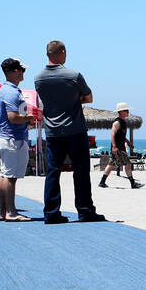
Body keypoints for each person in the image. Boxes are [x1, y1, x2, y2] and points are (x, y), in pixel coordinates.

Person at [34, 40, 105, 224]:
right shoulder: (73, 75)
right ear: (62, 52)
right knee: (81, 171)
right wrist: (75, 100)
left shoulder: (38, 78)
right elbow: (88, 97)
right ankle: (85, 210)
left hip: (53, 132)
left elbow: (47, 100)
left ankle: (51, 212)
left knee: (53, 172)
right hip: (75, 129)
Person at [0, 58, 34, 222]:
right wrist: (28, 118)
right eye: (22, 70)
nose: (24, 73)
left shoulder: (4, 90)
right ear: (16, 71)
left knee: (4, 175)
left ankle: (3, 212)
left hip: (5, 137)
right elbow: (13, 117)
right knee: (10, 177)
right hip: (13, 138)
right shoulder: (11, 92)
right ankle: (11, 212)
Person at [99, 102, 143, 189]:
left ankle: (102, 182)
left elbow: (121, 136)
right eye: (126, 110)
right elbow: (112, 134)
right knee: (127, 164)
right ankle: (133, 183)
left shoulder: (123, 122)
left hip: (120, 147)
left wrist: (128, 142)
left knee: (111, 164)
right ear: (121, 112)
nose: (128, 112)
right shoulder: (117, 122)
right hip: (118, 148)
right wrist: (114, 146)